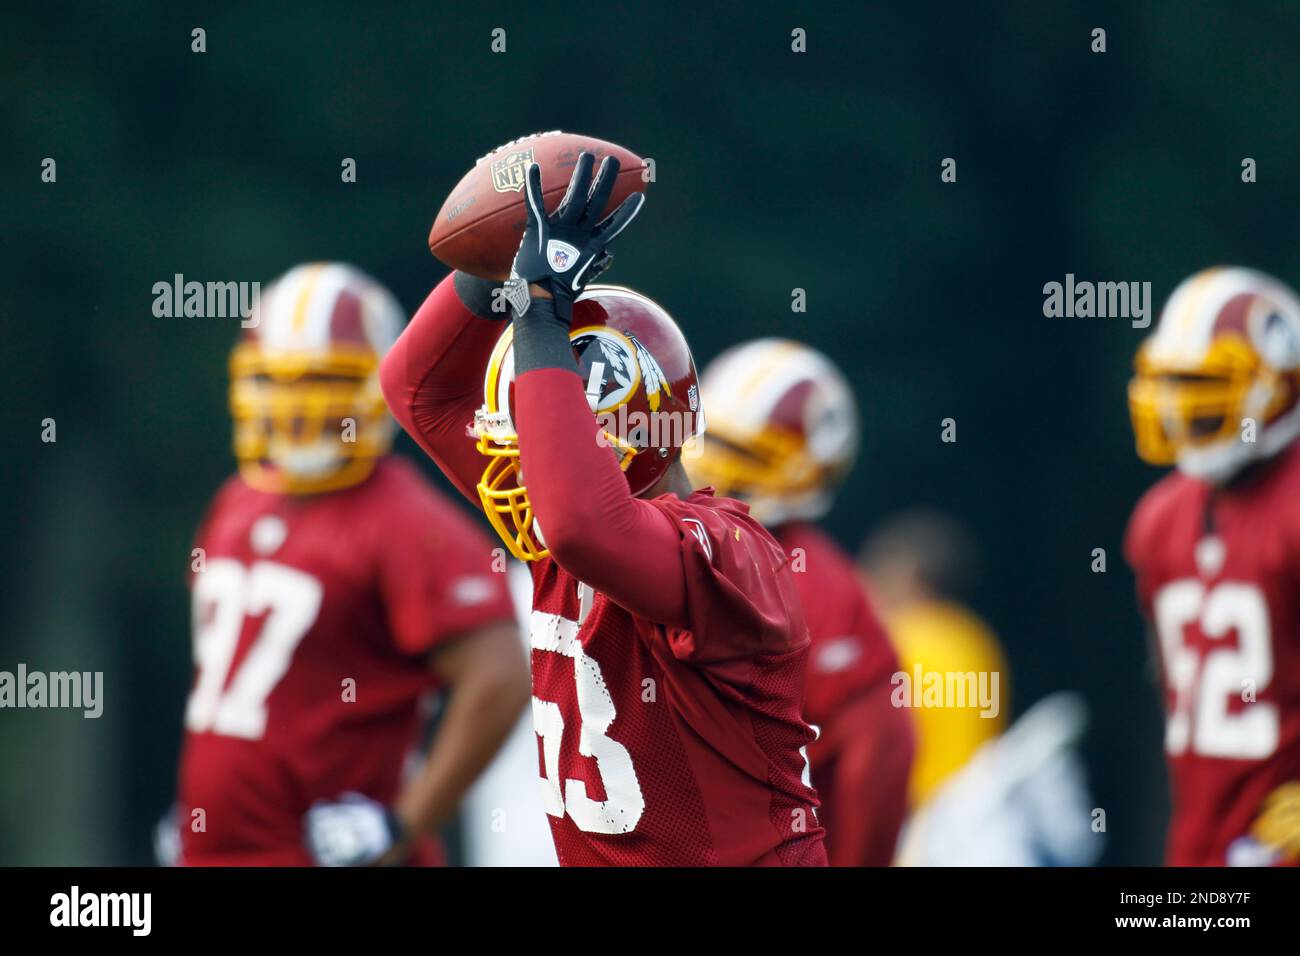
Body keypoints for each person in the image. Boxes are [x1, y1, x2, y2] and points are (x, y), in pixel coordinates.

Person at [381, 154, 826, 865]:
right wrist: (501, 262)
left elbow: (585, 524)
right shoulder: (554, 527)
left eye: (543, 441)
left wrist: (541, 311)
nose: (521, 469)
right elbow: (418, 390)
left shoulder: (730, 551)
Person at [166, 262, 528, 866]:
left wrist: (405, 824)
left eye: (321, 381)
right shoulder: (236, 500)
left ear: (371, 387)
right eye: (274, 382)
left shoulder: (406, 522)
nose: (294, 404)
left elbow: (501, 679)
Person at [688, 338, 913, 865]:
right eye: (711, 444)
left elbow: (879, 751)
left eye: (741, 453)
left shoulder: (805, 580)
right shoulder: (712, 553)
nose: (713, 470)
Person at [1125, 266, 1300, 866]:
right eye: (1169, 382)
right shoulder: (1159, 518)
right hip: (1202, 842)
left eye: (1204, 382)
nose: (1180, 405)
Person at [859, 510, 1008, 807]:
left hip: (917, 825)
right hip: (976, 818)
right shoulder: (974, 638)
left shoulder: (899, 641)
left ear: (907, 577)